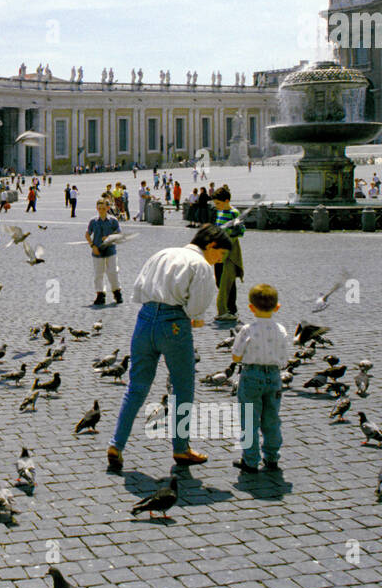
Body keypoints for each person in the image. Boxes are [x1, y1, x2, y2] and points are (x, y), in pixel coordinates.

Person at [105, 224, 231, 474]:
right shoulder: (201, 265)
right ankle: (180, 447)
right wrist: (195, 317)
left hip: (144, 319)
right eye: (221, 255)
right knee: (183, 387)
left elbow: (139, 287)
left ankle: (116, 445)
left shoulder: (162, 253)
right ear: (211, 245)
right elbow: (196, 308)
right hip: (173, 324)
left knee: (137, 387)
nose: (220, 260)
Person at [231, 283, 289, 473]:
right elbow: (284, 358)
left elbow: (236, 356)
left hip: (251, 376)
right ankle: (272, 457)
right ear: (277, 307)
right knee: (271, 418)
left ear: (251, 307)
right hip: (274, 376)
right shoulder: (281, 329)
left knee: (249, 419)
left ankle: (250, 460)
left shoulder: (247, 329)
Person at [211, 186, 245, 321]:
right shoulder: (219, 212)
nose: (217, 206)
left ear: (226, 201)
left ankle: (231, 309)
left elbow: (241, 231)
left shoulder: (234, 213)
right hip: (218, 251)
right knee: (219, 279)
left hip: (230, 251)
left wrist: (227, 233)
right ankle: (227, 308)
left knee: (228, 280)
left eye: (218, 203)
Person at [86, 198, 123, 306]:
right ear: (97, 208)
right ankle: (100, 294)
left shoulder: (113, 221)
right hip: (97, 251)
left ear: (107, 208)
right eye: (99, 208)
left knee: (113, 272)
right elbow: (87, 234)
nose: (101, 210)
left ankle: (117, 293)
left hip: (110, 250)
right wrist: (92, 246)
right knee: (98, 274)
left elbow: (119, 234)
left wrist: (109, 237)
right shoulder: (93, 221)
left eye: (103, 208)